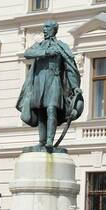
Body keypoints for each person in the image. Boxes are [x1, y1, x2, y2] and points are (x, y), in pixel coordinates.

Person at [16, 20, 83, 151]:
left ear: (54, 29)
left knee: (51, 109)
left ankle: (49, 141)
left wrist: (74, 87)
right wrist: (46, 53)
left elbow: (69, 67)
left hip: (54, 81)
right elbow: (27, 53)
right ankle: (41, 141)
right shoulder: (39, 46)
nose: (44, 30)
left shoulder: (61, 47)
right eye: (44, 28)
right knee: (41, 111)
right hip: (39, 82)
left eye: (47, 27)